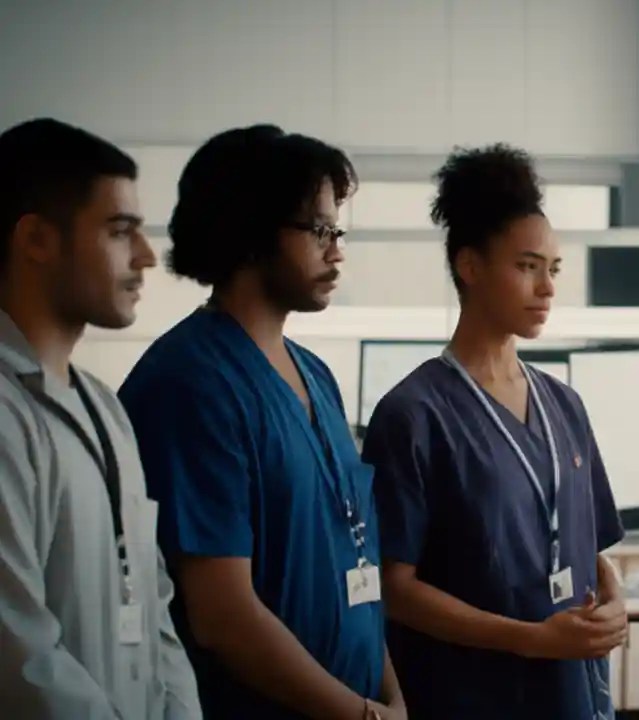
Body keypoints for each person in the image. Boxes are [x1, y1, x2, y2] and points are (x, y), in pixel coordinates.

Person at [117, 125, 404, 719]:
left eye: (338, 230)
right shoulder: (190, 385)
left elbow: (358, 566)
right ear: (252, 232)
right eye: (319, 229)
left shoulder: (316, 376)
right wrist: (364, 715)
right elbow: (224, 617)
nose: (337, 249)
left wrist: (390, 697)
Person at [360, 143, 628, 719]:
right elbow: (395, 589)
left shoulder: (565, 406)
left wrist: (615, 598)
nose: (548, 287)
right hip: (472, 697)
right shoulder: (414, 415)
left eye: (553, 269)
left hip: (573, 695)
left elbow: (591, 551)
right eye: (527, 267)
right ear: (470, 265)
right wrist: (530, 638)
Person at [0, 118, 201, 719]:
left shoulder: (103, 405)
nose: (145, 256)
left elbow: (155, 601)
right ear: (36, 239)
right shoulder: (8, 416)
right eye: (120, 231)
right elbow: (19, 655)